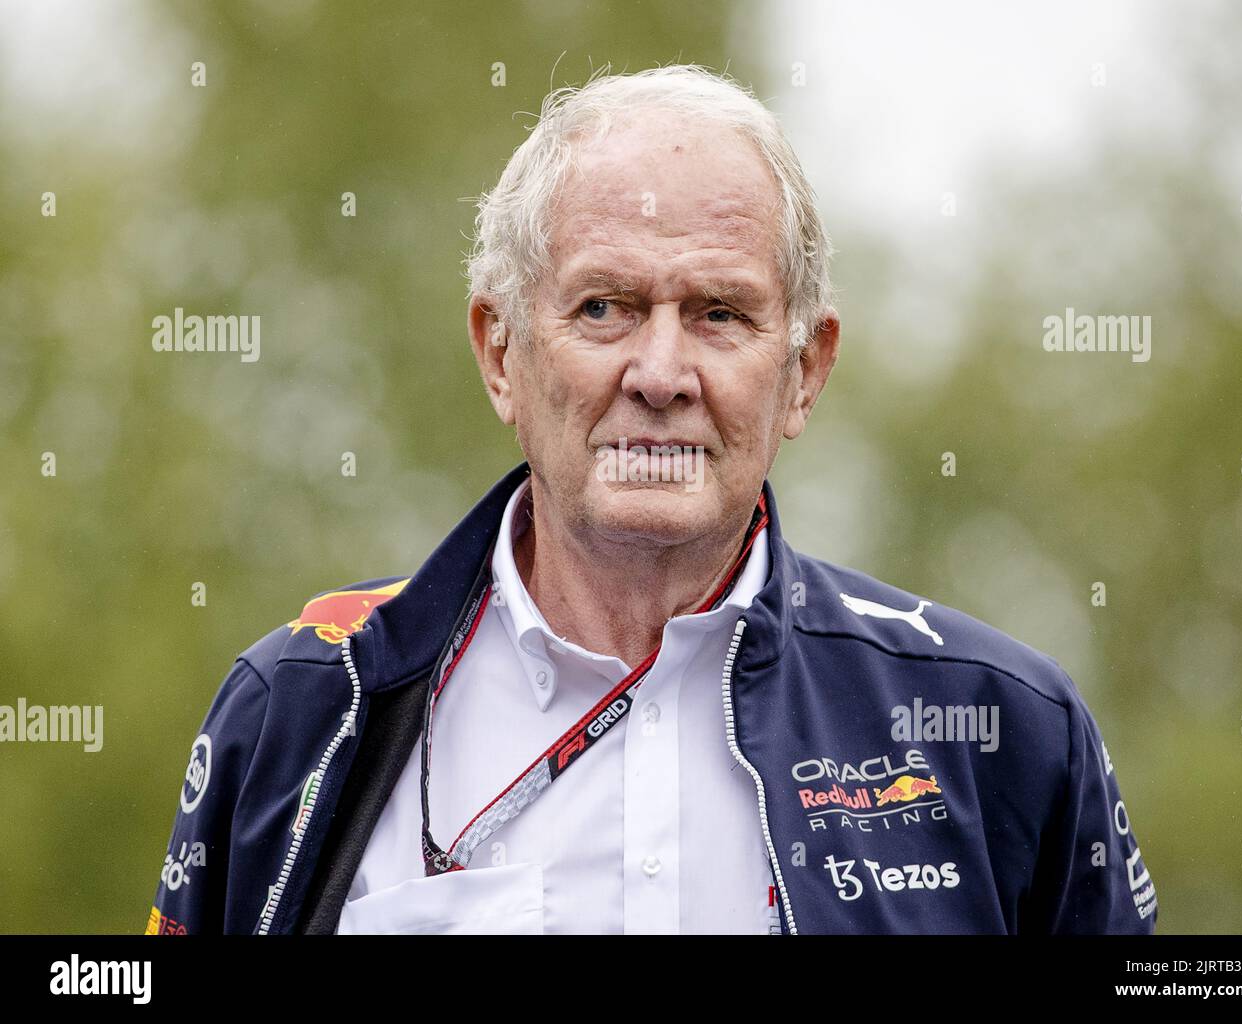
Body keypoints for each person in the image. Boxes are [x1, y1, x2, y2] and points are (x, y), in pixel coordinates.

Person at [146, 65, 1156, 935]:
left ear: (804, 369)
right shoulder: (311, 702)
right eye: (604, 308)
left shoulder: (998, 725)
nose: (660, 371)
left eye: (719, 314)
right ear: (500, 350)